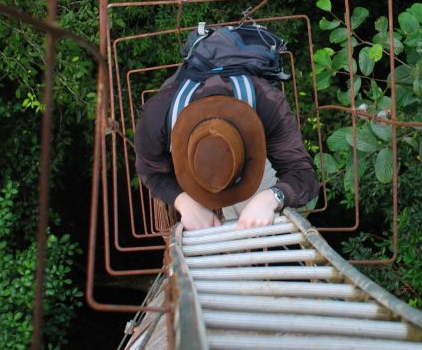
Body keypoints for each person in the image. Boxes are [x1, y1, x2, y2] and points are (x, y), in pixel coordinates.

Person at [135, 73, 317, 231]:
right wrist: (184, 203)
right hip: (203, 151)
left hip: (256, 152)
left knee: (267, 228)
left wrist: (271, 198)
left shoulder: (267, 103)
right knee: (237, 222)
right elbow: (150, 172)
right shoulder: (157, 118)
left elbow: (303, 173)